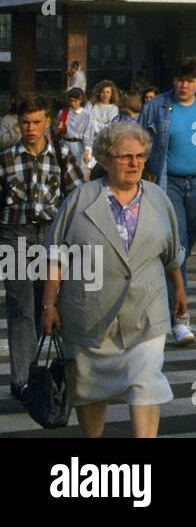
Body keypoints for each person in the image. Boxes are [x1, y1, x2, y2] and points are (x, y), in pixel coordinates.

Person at [40, 120, 184, 438]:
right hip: (89, 311)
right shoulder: (80, 199)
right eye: (125, 157)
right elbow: (55, 256)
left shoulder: (158, 198)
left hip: (146, 311)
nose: (134, 163)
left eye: (140, 156)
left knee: (146, 383)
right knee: (90, 386)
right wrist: (49, 303)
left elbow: (172, 252)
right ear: (105, 160)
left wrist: (179, 291)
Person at [138, 57, 196, 345]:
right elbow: (138, 138)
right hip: (169, 183)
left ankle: (167, 290)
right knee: (177, 247)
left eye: (190, 80)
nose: (184, 85)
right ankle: (180, 319)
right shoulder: (157, 106)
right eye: (180, 79)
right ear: (174, 80)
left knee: (186, 247)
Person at [0, 96, 85, 401]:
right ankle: (23, 380)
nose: (31, 128)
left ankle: (53, 374)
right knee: (20, 308)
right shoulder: (6, 157)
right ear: (18, 123)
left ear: (47, 121)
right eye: (25, 122)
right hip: (15, 235)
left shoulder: (62, 155)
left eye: (37, 122)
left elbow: (78, 199)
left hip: (52, 235)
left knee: (49, 306)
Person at [82, 80, 121, 171]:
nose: (105, 95)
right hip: (89, 144)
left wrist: (94, 124)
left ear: (112, 94)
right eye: (102, 92)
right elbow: (86, 123)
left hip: (104, 145)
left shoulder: (114, 108)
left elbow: (110, 127)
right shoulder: (91, 105)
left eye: (108, 92)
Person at [58, 89, 90, 167]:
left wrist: (87, 150)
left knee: (78, 170)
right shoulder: (63, 112)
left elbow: (87, 133)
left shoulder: (86, 115)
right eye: (71, 101)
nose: (73, 103)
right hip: (65, 144)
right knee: (63, 168)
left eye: (75, 101)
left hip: (78, 145)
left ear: (81, 101)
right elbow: (56, 128)